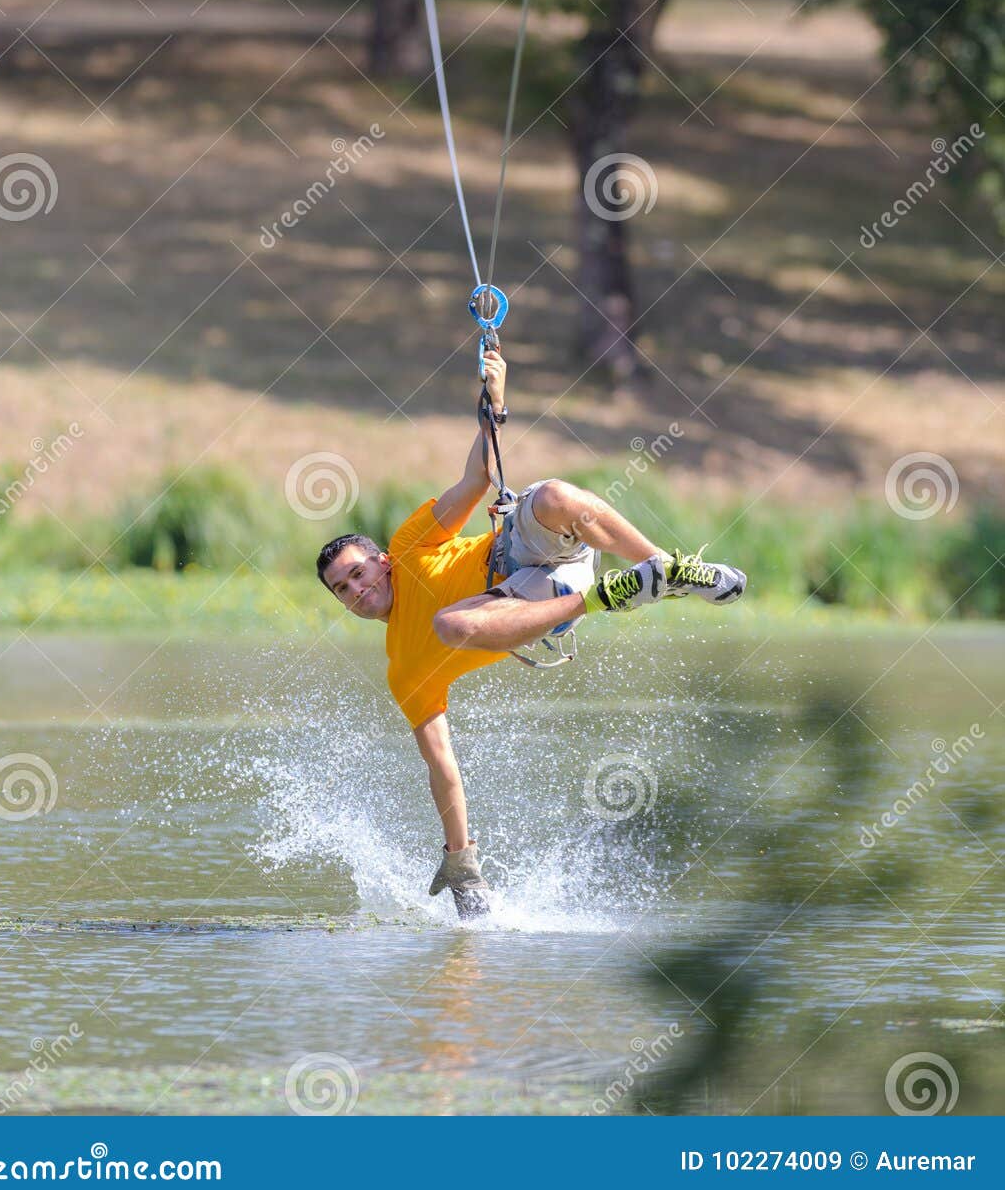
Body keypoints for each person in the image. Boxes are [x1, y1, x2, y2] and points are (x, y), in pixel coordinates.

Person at [315, 352, 746, 919]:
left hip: (520, 551)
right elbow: (442, 766)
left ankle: (668, 571)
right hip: (536, 605)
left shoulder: (411, 542)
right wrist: (459, 857)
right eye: (343, 590)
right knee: (450, 625)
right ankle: (608, 597)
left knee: (553, 497)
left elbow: (478, 479)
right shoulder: (403, 669)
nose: (356, 590)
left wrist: (494, 399)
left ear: (383, 562)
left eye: (357, 573)